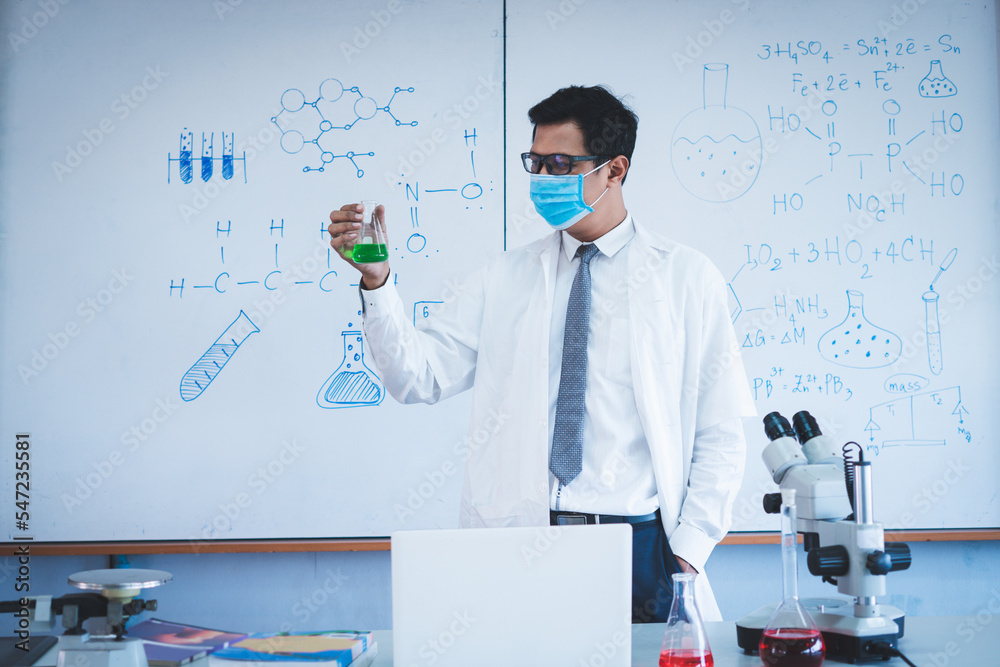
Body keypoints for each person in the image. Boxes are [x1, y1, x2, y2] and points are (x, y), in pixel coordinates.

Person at [328, 85, 755, 623]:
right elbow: (417, 378)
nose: (542, 180)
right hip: (524, 544)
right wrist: (378, 281)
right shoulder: (505, 277)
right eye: (535, 162)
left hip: (643, 549)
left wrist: (688, 554)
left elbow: (721, 433)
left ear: (615, 170)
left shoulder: (686, 277)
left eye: (560, 164)